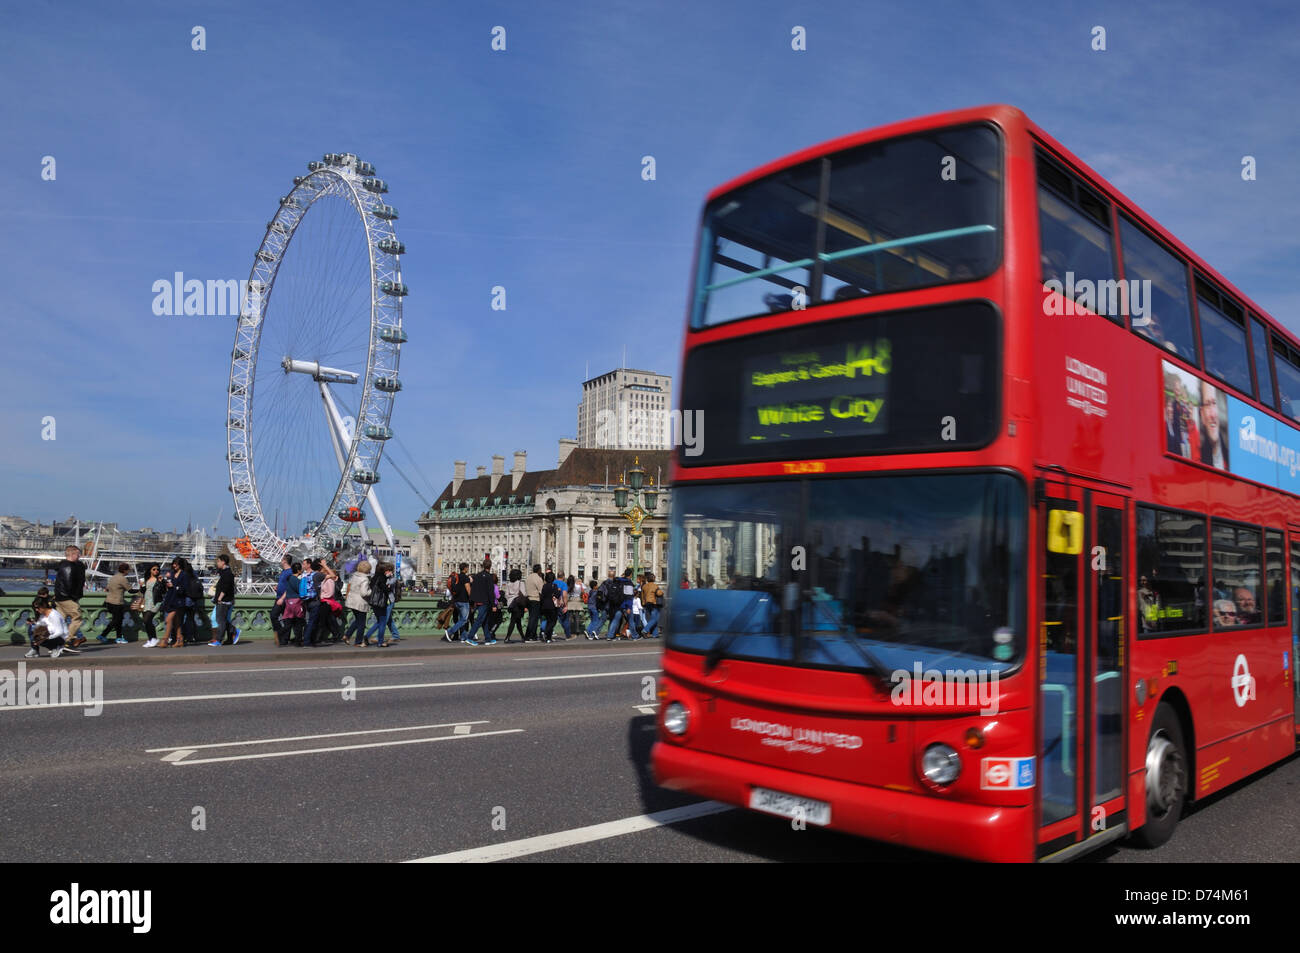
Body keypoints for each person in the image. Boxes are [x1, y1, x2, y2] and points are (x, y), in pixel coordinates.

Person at [458, 560, 499, 646]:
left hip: (477, 601)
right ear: (490, 566)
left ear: (483, 566)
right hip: (485, 602)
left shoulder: (477, 576)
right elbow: (490, 592)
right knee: (479, 620)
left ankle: (488, 639)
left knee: (485, 621)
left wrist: (472, 602)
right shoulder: (489, 577)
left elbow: (473, 589)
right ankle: (469, 637)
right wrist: (494, 605)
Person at [54, 545, 87, 648]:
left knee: (60, 619)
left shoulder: (63, 565)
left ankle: (55, 640)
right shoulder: (69, 567)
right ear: (72, 554)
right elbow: (69, 584)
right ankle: (67, 640)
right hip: (68, 597)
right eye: (78, 554)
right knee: (77, 618)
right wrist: (74, 597)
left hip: (59, 597)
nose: (80, 556)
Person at [208, 554, 239, 646]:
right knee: (222, 620)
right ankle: (233, 631)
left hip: (224, 601)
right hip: (224, 600)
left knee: (220, 620)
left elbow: (225, 588)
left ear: (223, 562)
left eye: (218, 561)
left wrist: (220, 598)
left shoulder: (228, 574)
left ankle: (218, 640)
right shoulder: (224, 572)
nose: (217, 563)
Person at [1199, 380, 1229, 469]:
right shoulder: (1200, 460)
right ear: (1202, 415)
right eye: (1207, 404)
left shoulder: (1231, 457)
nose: (1212, 415)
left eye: (1214, 403)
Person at [99, 562, 132, 644]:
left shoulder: (113, 577)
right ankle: (103, 635)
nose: (128, 571)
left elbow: (107, 588)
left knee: (118, 621)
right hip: (117, 603)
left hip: (109, 602)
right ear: (125, 570)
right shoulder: (123, 579)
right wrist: (141, 590)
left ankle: (119, 637)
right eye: (128, 570)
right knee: (116, 620)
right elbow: (130, 590)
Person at [363, 563, 392, 646]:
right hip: (380, 602)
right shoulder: (382, 577)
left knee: (379, 621)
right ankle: (380, 642)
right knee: (382, 622)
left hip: (373, 602)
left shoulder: (374, 577)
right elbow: (385, 589)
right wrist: (388, 587)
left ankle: (367, 636)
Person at [346, 560, 373, 645]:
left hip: (352, 601)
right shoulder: (364, 579)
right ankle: (358, 641)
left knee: (357, 621)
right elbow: (364, 593)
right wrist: (372, 591)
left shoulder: (354, 576)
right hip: (360, 603)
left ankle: (347, 635)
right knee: (361, 623)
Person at [443, 563, 471, 642]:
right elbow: (468, 590)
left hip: (456, 600)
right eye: (467, 568)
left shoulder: (456, 577)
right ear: (465, 568)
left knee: (461, 619)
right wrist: (472, 599)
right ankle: (450, 632)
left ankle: (463, 637)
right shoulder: (466, 578)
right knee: (464, 620)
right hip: (464, 601)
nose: (467, 569)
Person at [605, 568, 635, 640]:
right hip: (625, 605)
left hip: (618, 604)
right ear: (631, 575)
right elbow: (629, 596)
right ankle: (635, 636)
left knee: (615, 620)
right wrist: (629, 607)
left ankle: (609, 635)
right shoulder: (628, 582)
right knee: (631, 620)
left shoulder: (619, 581)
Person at [270, 555, 294, 644]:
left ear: (284, 561)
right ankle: (283, 637)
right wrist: (277, 587)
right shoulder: (284, 571)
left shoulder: (290, 572)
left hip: (284, 599)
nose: (280, 561)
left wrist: (282, 598)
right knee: (284, 618)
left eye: (281, 559)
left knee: (275, 616)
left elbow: (289, 587)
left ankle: (282, 636)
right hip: (279, 597)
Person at [320, 563, 344, 642]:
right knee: (329, 620)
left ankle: (335, 635)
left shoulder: (330, 581)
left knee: (330, 620)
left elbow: (330, 593)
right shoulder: (326, 580)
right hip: (328, 602)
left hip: (328, 602)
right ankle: (335, 635)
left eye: (322, 572)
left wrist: (322, 596)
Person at [502, 568, 527, 643]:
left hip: (511, 604)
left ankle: (523, 637)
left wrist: (511, 597)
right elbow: (524, 594)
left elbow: (506, 595)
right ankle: (507, 637)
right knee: (513, 621)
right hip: (518, 604)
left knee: (517, 621)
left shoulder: (509, 584)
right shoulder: (520, 583)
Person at [524, 564, 545, 642]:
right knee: (534, 619)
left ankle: (531, 635)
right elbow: (542, 591)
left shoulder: (528, 577)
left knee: (531, 618)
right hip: (535, 599)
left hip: (528, 599)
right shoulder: (538, 578)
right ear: (539, 570)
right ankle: (530, 636)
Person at [640, 571, 664, 638]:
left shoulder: (644, 586)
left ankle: (655, 634)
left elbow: (642, 596)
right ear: (653, 579)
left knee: (653, 618)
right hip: (654, 603)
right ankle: (645, 630)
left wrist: (643, 603)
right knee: (655, 619)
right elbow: (659, 593)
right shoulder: (655, 585)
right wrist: (662, 592)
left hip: (647, 604)